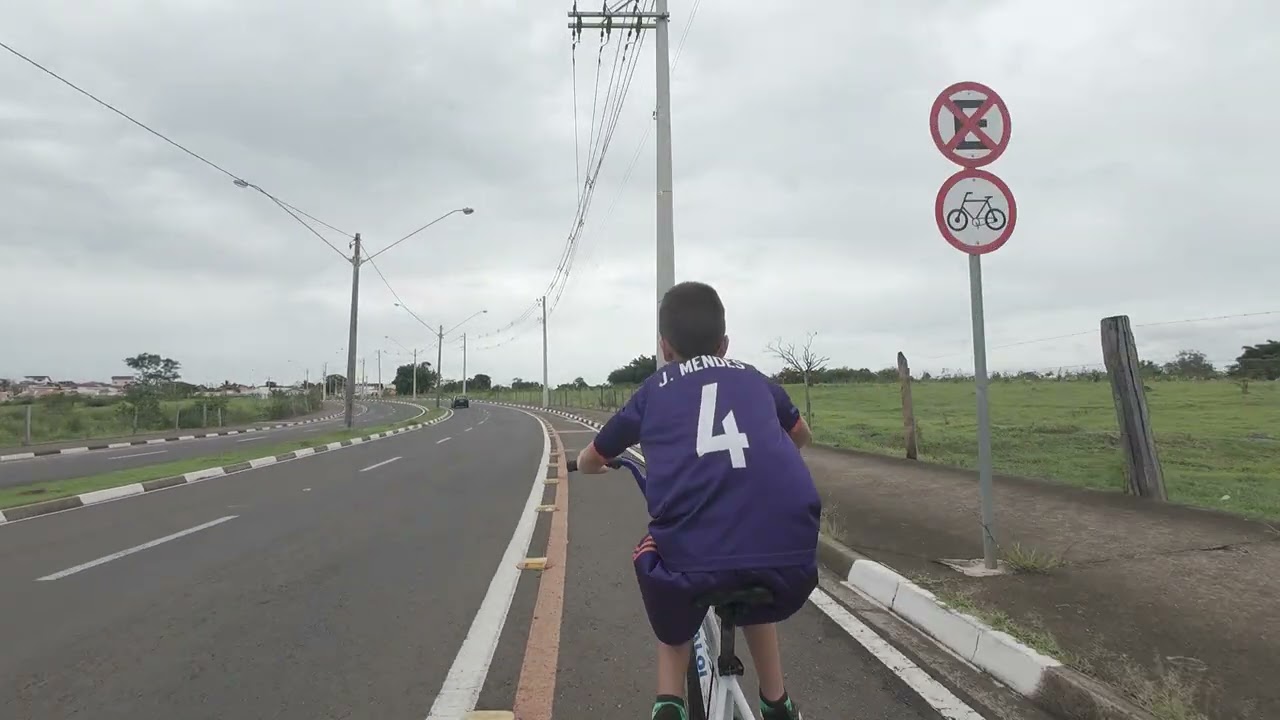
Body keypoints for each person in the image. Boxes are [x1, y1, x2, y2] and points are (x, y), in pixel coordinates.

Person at [575, 280, 819, 720]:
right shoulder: (758, 380)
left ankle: (668, 703)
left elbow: (595, 456)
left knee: (662, 564)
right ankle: (775, 701)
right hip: (791, 557)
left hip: (692, 560)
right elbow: (801, 434)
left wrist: (590, 465)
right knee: (753, 585)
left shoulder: (653, 390)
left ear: (665, 347)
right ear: (725, 345)